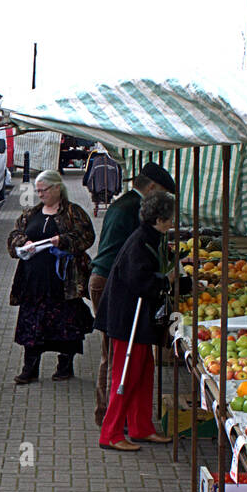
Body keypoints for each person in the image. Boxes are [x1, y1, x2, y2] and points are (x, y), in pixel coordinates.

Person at [89, 161, 177, 422]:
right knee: (116, 352)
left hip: (112, 280)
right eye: (161, 192)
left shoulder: (126, 203)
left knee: (117, 351)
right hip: (110, 283)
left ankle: (122, 416)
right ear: (150, 187)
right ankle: (109, 415)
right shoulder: (131, 208)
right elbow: (132, 257)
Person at [6, 169, 96, 383]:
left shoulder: (74, 212)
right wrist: (22, 242)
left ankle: (65, 366)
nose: (40, 194)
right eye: (37, 191)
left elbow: (86, 237)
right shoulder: (32, 213)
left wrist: (62, 240)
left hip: (63, 282)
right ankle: (29, 369)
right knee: (32, 326)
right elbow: (14, 234)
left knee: (65, 326)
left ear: (57, 188)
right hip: (33, 282)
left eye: (44, 190)